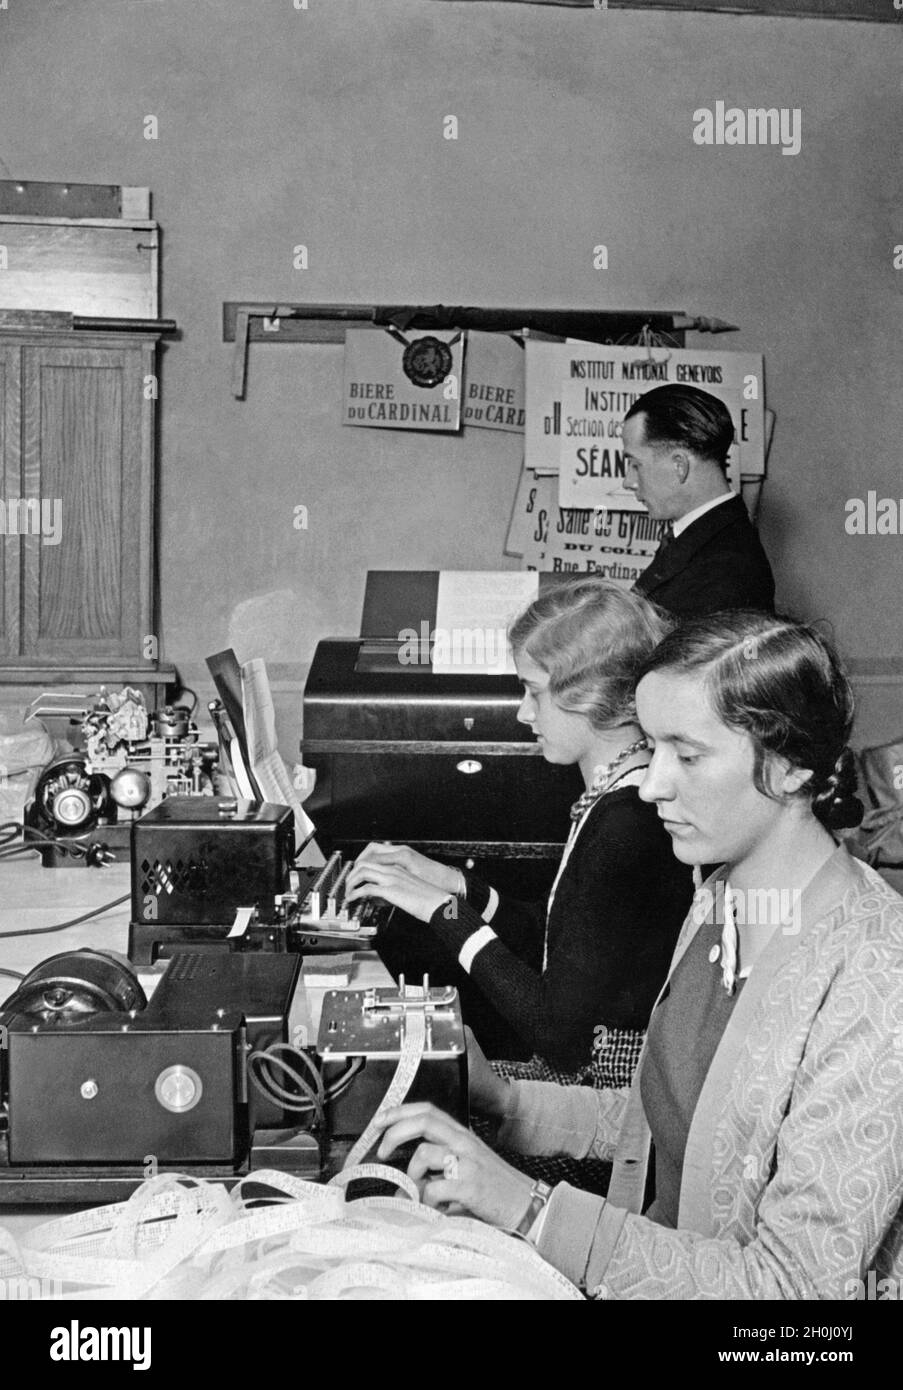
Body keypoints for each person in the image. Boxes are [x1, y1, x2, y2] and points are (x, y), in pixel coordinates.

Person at [375, 611, 903, 1299]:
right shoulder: (718, 900)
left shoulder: (876, 971)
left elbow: (795, 1299)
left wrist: (529, 1209)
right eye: (650, 748)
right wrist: (502, 1096)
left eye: (685, 755)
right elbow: (670, 1128)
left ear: (789, 764)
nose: (651, 785)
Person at [345, 580, 694, 1099]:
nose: (522, 713)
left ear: (591, 695)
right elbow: (553, 939)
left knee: (395, 1097)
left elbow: (557, 1037)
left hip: (604, 1100)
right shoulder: (617, 795)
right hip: (591, 1077)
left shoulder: (627, 826)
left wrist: (443, 912)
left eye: (533, 692)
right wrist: (451, 882)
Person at [623, 384, 776, 618]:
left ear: (679, 466)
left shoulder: (726, 569)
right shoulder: (706, 538)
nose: (628, 481)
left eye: (635, 465)